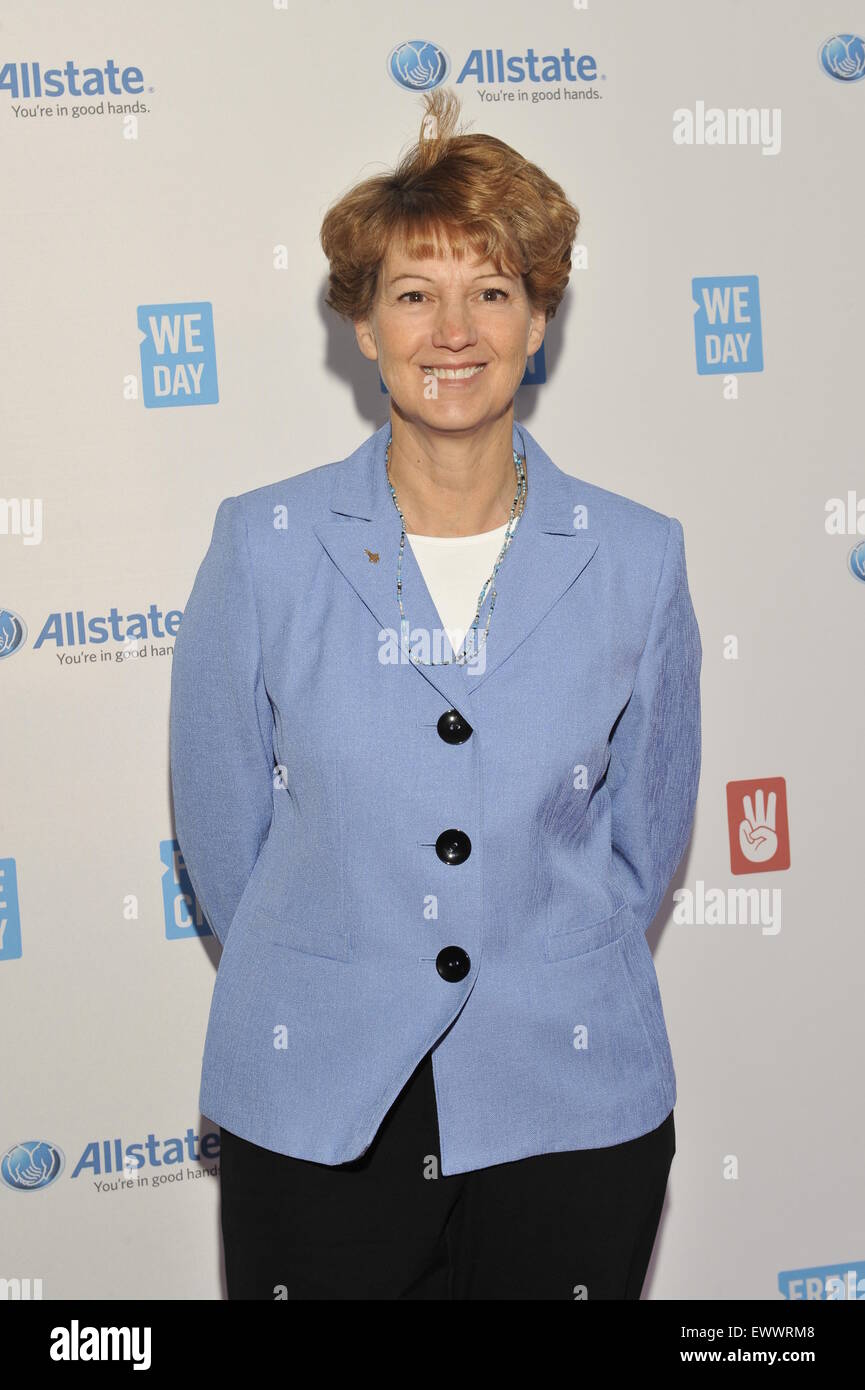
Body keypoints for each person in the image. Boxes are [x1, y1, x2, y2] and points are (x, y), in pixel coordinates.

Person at [169, 88, 701, 1301]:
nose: (451, 329)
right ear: (364, 325)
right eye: (414, 293)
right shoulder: (264, 543)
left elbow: (642, 844)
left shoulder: (635, 554)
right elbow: (226, 838)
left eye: (492, 291)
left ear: (540, 318)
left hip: (569, 1104)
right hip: (319, 1105)